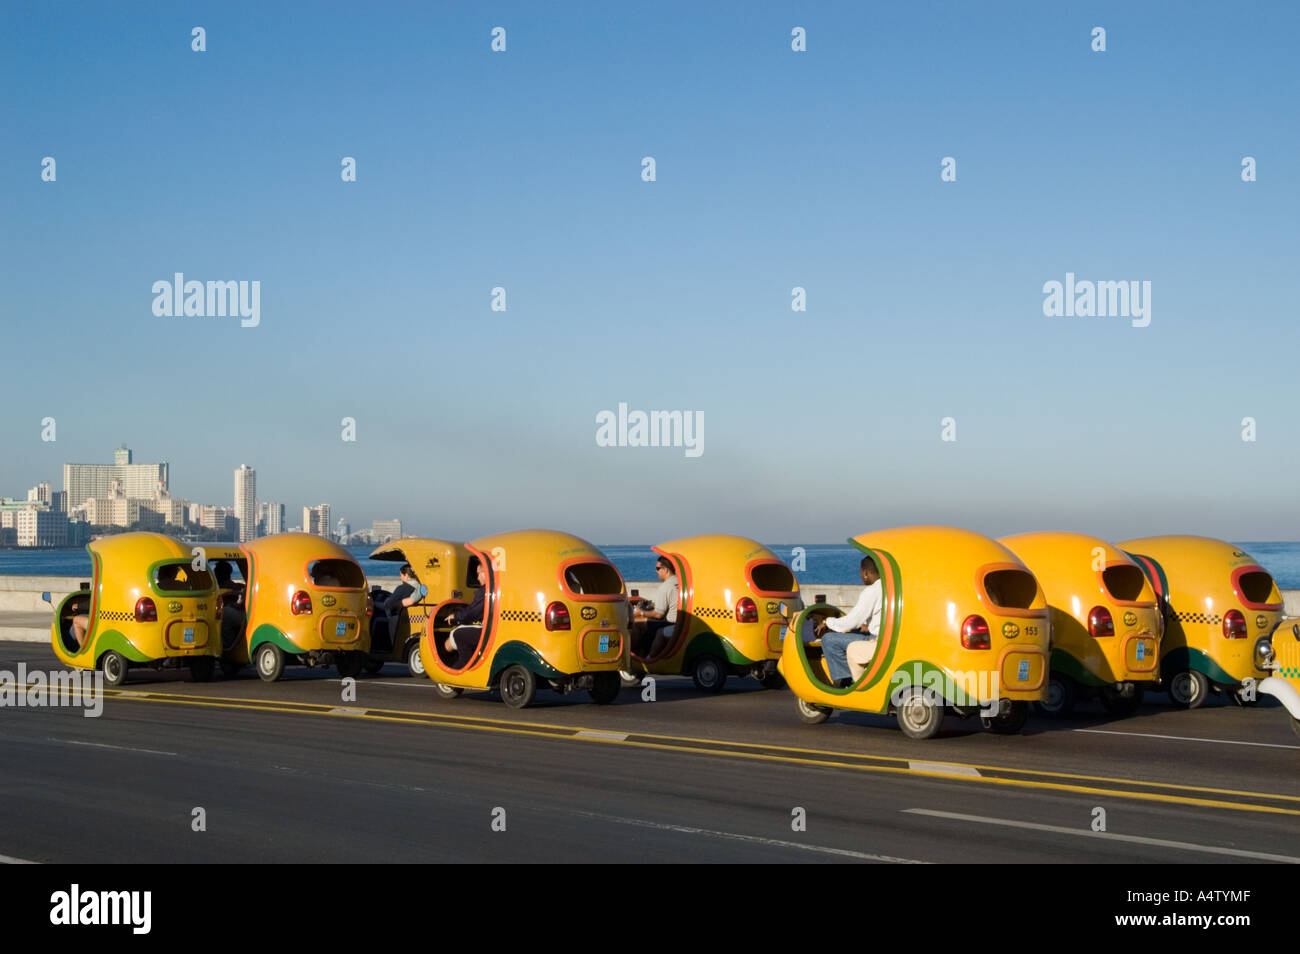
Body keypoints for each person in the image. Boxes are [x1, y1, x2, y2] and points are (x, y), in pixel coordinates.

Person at [815, 555, 882, 688]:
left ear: (866, 573)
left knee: (829, 640)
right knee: (854, 632)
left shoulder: (872, 591)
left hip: (876, 639)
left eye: (861, 573)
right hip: (882, 636)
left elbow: (852, 621)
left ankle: (845, 681)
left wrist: (827, 622)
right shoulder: (888, 587)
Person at [442, 560, 487, 666]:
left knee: (459, 634)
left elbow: (472, 612)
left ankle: (465, 665)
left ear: (486, 573)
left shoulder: (485, 591)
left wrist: (456, 616)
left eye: (479, 573)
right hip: (491, 627)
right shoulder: (491, 590)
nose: (477, 578)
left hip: (487, 630)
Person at [633, 556, 679, 659]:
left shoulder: (666, 586)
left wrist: (640, 612)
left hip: (671, 623)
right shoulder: (679, 582)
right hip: (680, 622)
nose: (656, 571)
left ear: (666, 569)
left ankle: (639, 657)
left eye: (658, 568)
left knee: (637, 623)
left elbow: (658, 614)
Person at [378, 564, 423, 653]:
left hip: (398, 620)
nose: (400, 578)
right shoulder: (419, 587)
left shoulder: (403, 588)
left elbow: (389, 605)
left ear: (406, 575)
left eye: (401, 575)